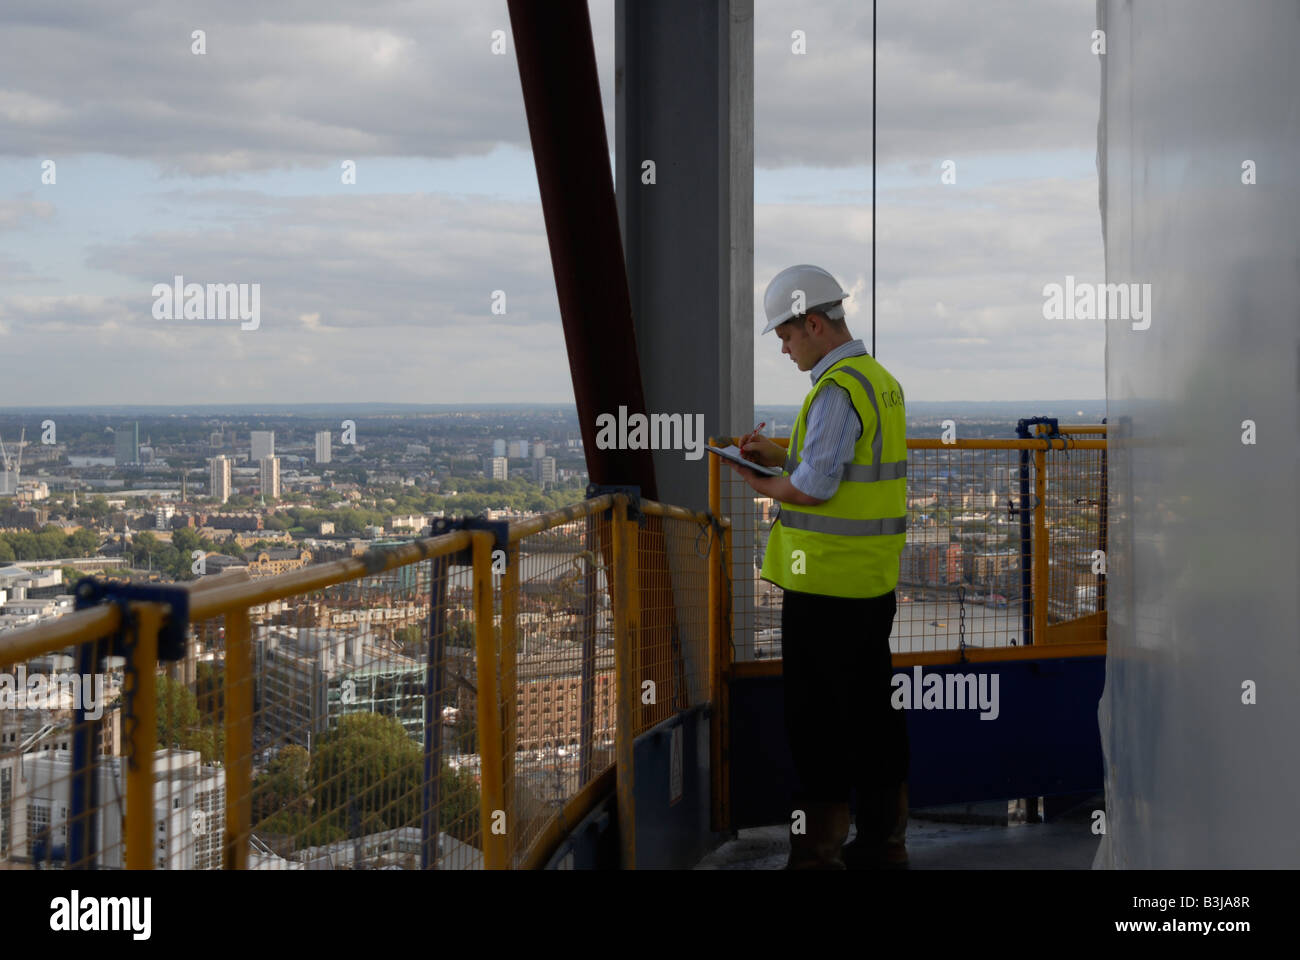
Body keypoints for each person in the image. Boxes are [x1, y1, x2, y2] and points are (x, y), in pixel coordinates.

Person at [725, 264, 910, 870]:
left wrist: (763, 481)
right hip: (869, 583)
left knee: (816, 724)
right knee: (871, 714)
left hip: (825, 588)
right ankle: (885, 843)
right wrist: (780, 453)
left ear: (812, 322)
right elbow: (842, 463)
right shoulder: (878, 380)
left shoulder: (835, 389)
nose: (782, 347)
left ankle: (817, 852)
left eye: (784, 335)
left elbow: (816, 486)